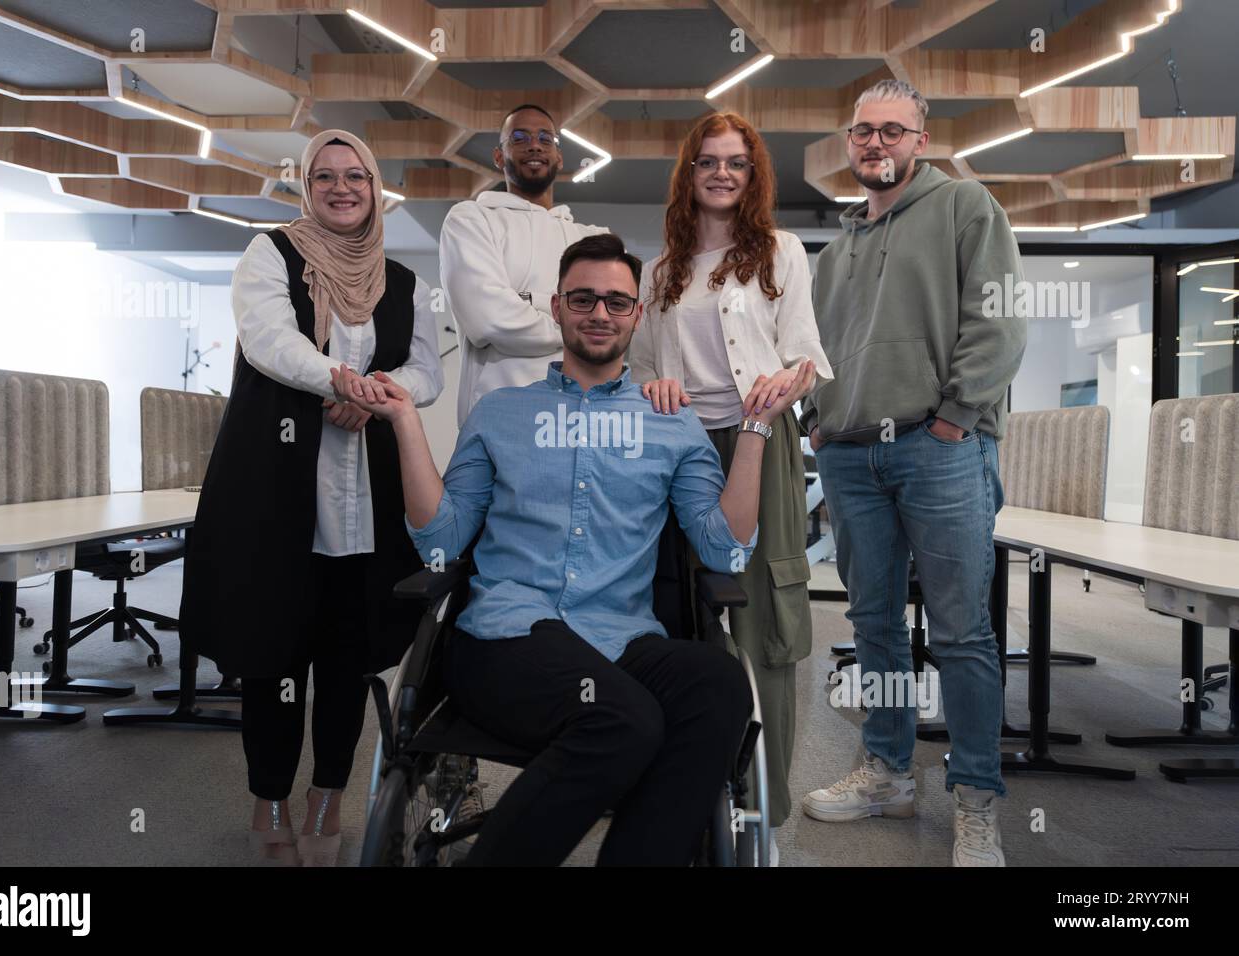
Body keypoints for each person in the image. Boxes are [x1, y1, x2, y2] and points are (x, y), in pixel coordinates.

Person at [332, 233, 818, 865]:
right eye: (584, 299)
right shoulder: (500, 412)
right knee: (626, 721)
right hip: (506, 640)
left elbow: (724, 552)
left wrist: (754, 427)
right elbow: (441, 539)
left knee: (720, 685)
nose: (600, 314)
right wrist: (404, 423)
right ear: (558, 309)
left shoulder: (670, 423)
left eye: (617, 302)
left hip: (620, 639)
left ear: (636, 316)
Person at [180, 130, 443, 866]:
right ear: (305, 185)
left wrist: (381, 392)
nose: (341, 187)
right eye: (324, 176)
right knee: (273, 654)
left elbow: (427, 371)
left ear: (375, 186)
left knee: (348, 656)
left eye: (356, 175)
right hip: (275, 492)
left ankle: (327, 794)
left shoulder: (403, 280)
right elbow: (267, 340)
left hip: (367, 499)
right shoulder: (271, 253)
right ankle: (269, 800)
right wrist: (341, 380)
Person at [798, 80, 1026, 867]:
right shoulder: (833, 254)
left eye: (893, 131)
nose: (876, 144)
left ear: (920, 140)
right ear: (850, 143)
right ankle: (891, 773)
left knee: (963, 633)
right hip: (851, 455)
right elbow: (817, 354)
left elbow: (996, 318)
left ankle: (976, 801)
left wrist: (958, 415)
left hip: (941, 449)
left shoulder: (966, 208)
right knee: (875, 628)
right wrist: (820, 427)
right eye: (862, 132)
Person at [629, 111, 833, 866]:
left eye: (737, 163)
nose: (722, 173)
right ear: (690, 173)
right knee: (682, 616)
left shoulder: (779, 251)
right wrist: (655, 387)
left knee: (763, 621)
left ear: (754, 175)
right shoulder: (662, 271)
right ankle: (687, 799)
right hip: (680, 452)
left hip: (760, 439)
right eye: (709, 161)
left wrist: (790, 378)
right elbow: (643, 368)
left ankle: (762, 815)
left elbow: (806, 348)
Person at [439, 103, 608, 425]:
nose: (534, 145)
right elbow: (489, 321)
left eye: (546, 139)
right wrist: (579, 325)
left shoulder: (593, 237)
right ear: (499, 156)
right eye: (519, 138)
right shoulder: (470, 219)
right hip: (497, 424)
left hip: (578, 422)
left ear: (559, 157)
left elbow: (613, 326)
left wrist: (525, 300)